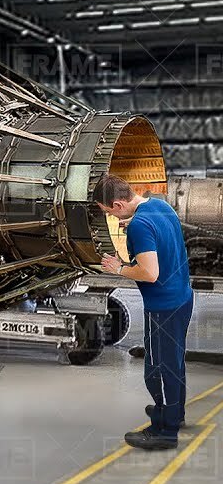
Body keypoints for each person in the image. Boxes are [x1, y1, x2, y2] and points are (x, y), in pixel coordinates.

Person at [94, 174, 193, 450]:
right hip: (182, 297)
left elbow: (150, 273)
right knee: (174, 363)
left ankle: (165, 430)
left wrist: (119, 268)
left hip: (163, 307)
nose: (113, 220)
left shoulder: (139, 225)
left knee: (158, 369)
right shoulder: (160, 207)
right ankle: (175, 414)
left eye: (109, 214)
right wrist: (136, 229)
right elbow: (161, 242)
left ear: (116, 204)